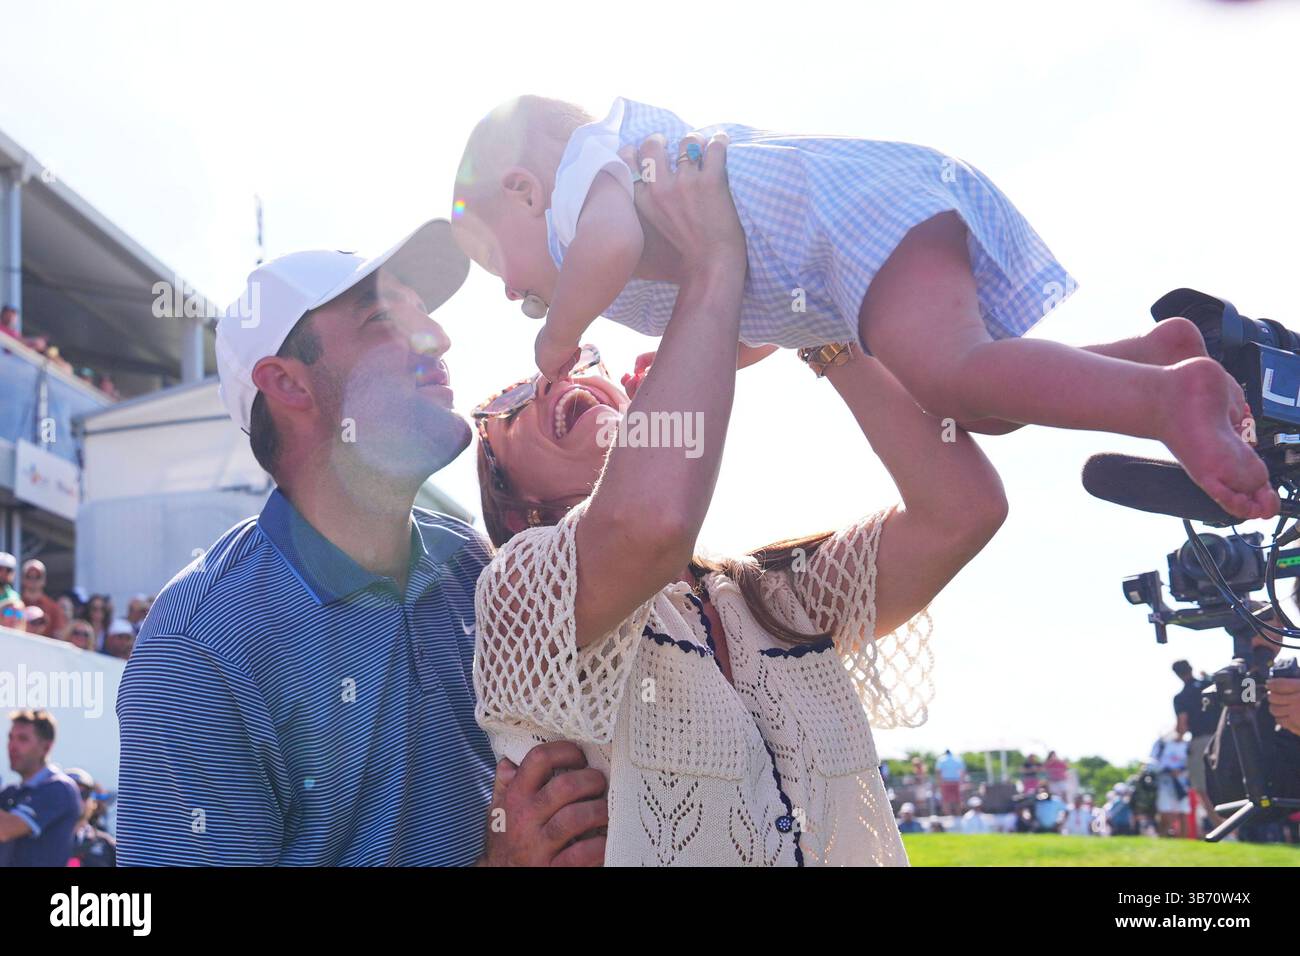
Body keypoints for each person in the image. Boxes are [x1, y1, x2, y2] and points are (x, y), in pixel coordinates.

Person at [470, 133, 1008, 866]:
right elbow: (648, 521)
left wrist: (814, 328)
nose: (552, 378)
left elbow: (961, 512)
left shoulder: (766, 597)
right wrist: (713, 265)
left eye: (588, 361)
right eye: (508, 401)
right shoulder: (517, 592)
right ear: (512, 502)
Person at [451, 96, 1277, 522]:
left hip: (845, 220)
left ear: (524, 192)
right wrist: (699, 354)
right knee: (973, 407)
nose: (507, 290)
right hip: (843, 260)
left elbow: (605, 249)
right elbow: (751, 315)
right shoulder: (611, 231)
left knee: (955, 379)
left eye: (495, 263)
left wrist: (559, 334)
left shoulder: (586, 191)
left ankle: (1168, 400)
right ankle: (1150, 354)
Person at [116, 217, 608, 866]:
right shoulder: (195, 655)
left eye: (423, 310)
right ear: (289, 384)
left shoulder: (477, 569)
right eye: (382, 317)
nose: (439, 336)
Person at [0, 710, 82, 867]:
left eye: (23, 739)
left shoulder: (59, 789)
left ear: (46, 747)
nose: (12, 746)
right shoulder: (12, 792)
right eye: (10, 737)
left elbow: (4, 829)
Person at [1173, 658, 1223, 829]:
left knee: (1202, 788)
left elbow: (1182, 727)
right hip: (1223, 737)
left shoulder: (1181, 697)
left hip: (1201, 743)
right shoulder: (1209, 684)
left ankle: (1224, 828)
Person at [64, 768, 116, 867]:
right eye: (69, 793)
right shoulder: (37, 842)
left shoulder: (109, 847)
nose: (77, 799)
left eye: (84, 794)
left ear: (94, 803)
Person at [1150, 729, 1190, 838]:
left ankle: (1183, 843)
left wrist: (1181, 771)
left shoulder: (1187, 744)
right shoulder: (1161, 743)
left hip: (1182, 785)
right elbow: (1153, 762)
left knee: (1183, 814)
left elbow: (1191, 763)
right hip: (1164, 783)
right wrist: (1167, 771)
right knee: (1166, 814)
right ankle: (1162, 836)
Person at [20, 560, 67, 640]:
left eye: (37, 577)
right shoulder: (15, 604)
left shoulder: (53, 608)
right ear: (23, 579)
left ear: (44, 580)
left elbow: (59, 636)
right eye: (29, 576)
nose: (33, 580)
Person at [936, 748, 965, 816]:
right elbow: (962, 771)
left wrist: (939, 782)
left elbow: (938, 772)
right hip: (956, 781)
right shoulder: (957, 759)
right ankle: (958, 814)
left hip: (946, 782)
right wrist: (961, 781)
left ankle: (948, 815)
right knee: (957, 800)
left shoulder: (941, 759)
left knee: (946, 800)